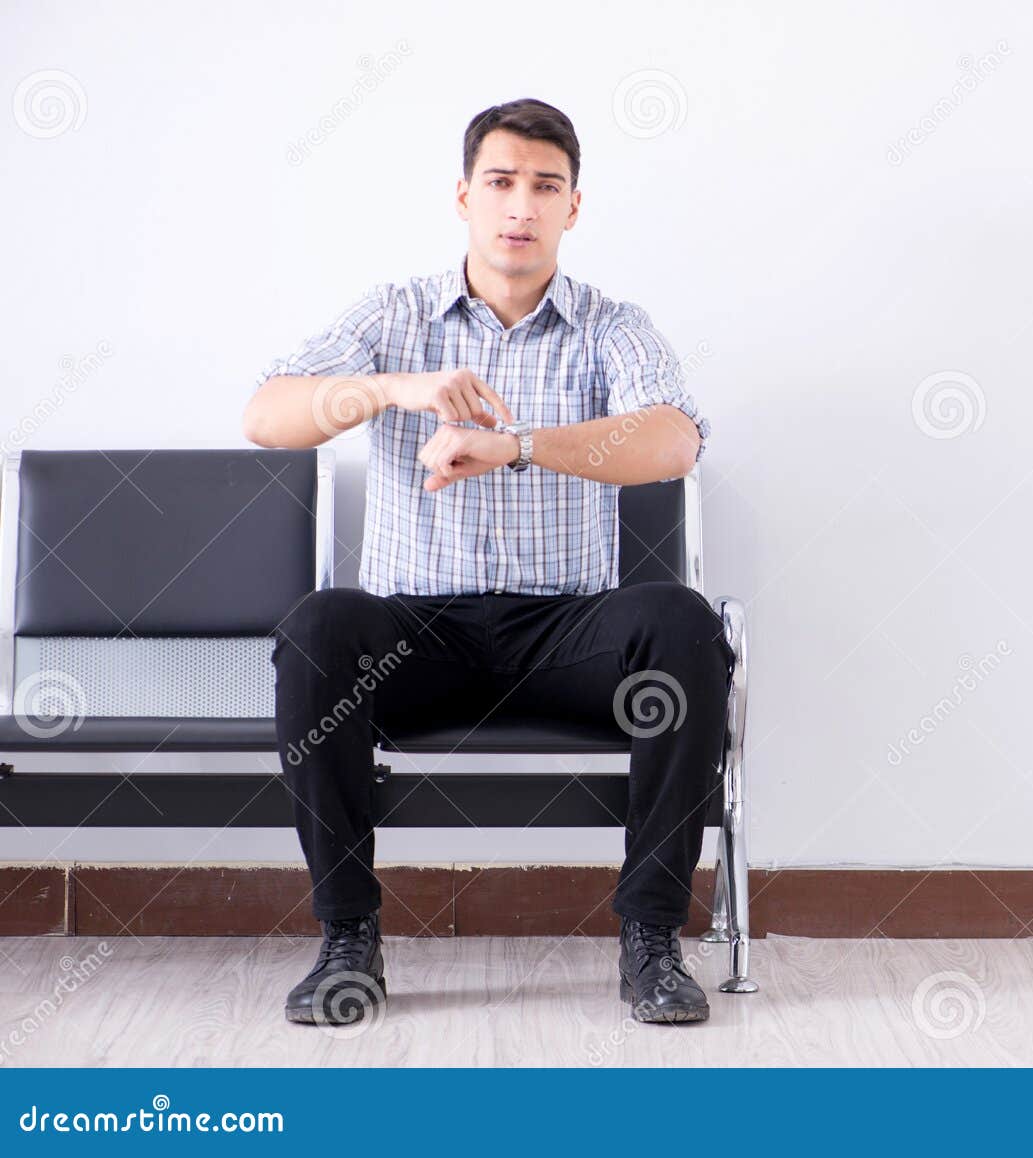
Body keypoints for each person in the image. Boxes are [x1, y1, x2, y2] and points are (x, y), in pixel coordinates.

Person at [242, 98, 731, 1028]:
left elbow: (671, 442)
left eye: (545, 187)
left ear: (572, 209)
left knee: (681, 620)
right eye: (502, 183)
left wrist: (517, 447)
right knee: (318, 628)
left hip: (566, 638)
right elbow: (266, 415)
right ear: (464, 197)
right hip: (415, 641)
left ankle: (652, 942)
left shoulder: (610, 326)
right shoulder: (395, 316)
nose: (522, 206)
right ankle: (349, 936)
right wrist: (394, 388)